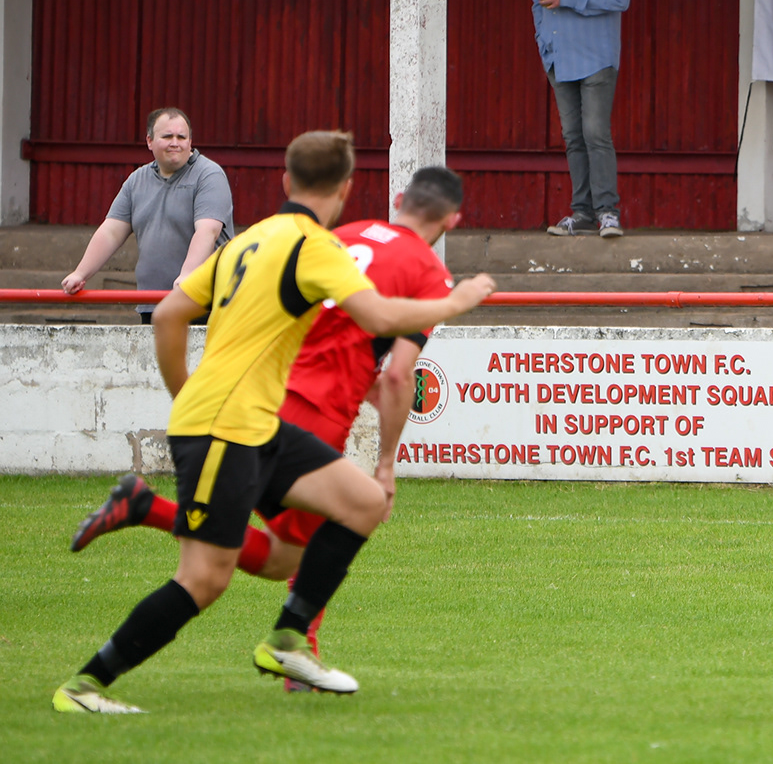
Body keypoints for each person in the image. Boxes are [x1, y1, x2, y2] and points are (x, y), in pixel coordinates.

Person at [51, 133, 496, 714]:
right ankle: (82, 688)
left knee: (359, 505)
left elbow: (167, 314)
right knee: (204, 580)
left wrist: (185, 391)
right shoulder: (315, 247)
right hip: (229, 425)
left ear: (286, 183)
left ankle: (288, 638)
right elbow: (380, 317)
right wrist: (455, 302)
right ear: (346, 188)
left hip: (255, 422)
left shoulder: (254, 237)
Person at [62, 108, 233, 323]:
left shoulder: (209, 175)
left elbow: (208, 230)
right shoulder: (137, 180)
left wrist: (188, 275)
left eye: (182, 137)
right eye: (167, 136)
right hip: (152, 303)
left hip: (203, 303)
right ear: (150, 141)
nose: (175, 143)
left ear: (191, 141)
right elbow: (111, 232)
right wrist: (81, 273)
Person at [535, 0, 632, 239]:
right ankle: (582, 213)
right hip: (559, 59)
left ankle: (608, 212)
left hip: (595, 60)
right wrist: (543, 40)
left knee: (595, 134)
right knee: (573, 137)